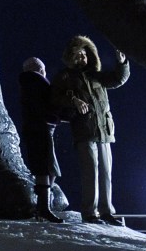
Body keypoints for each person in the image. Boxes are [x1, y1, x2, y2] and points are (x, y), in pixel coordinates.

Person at [52, 34, 130, 226]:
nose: (82, 58)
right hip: (84, 131)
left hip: (104, 131)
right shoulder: (64, 76)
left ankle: (106, 212)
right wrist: (72, 100)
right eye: (77, 55)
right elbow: (54, 98)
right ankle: (90, 213)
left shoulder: (98, 75)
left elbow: (118, 79)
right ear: (71, 57)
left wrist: (123, 63)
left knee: (106, 173)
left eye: (84, 55)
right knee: (90, 173)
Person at [18, 56, 64, 223]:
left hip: (35, 129)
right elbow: (46, 107)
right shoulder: (37, 83)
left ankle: (42, 206)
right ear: (40, 70)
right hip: (41, 129)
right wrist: (59, 116)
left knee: (48, 169)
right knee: (45, 168)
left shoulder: (28, 84)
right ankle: (43, 208)